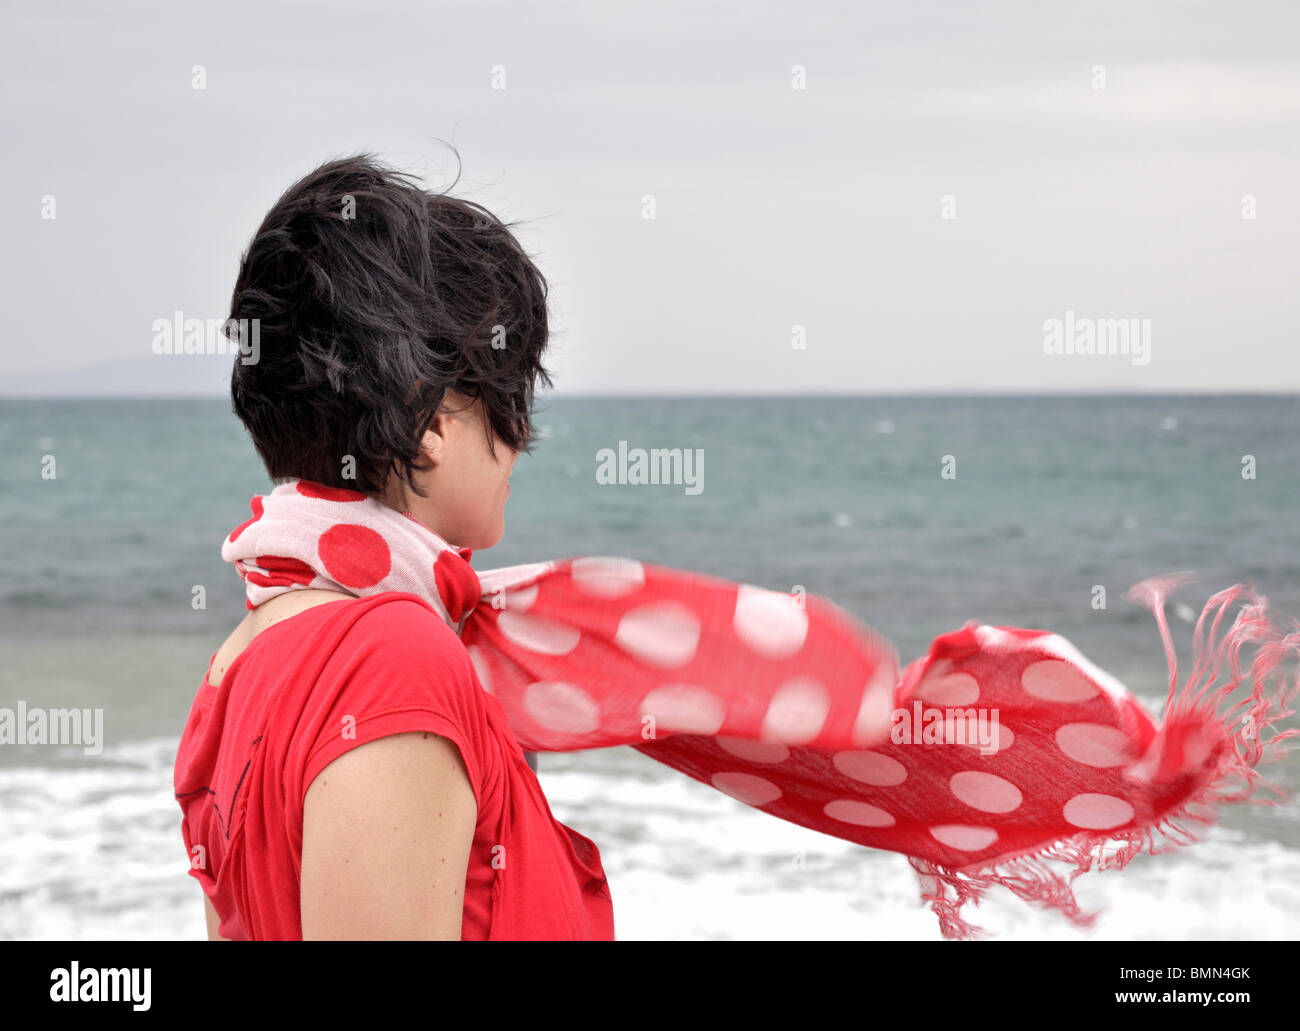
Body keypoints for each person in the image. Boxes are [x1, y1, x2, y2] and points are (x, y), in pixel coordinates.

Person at [173, 154, 614, 940]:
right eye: (511, 402)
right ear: (440, 422)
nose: (522, 444)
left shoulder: (241, 657)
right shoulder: (392, 656)